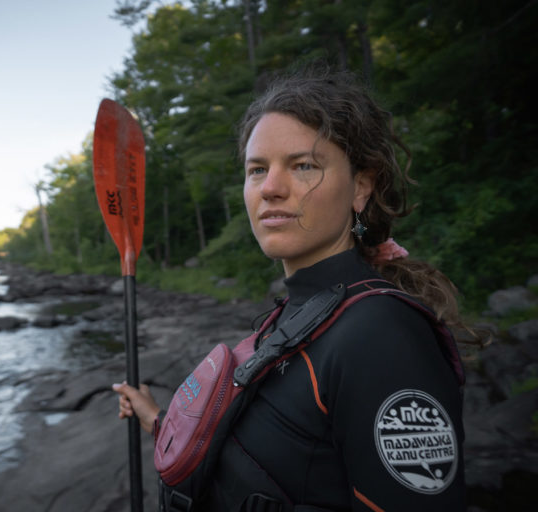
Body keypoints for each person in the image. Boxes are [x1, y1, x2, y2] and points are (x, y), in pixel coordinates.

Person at [113, 68, 468, 511]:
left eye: (303, 166)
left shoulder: (382, 334)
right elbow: (273, 442)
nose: (271, 189)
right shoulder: (299, 316)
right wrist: (157, 419)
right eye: (257, 169)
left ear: (361, 186)